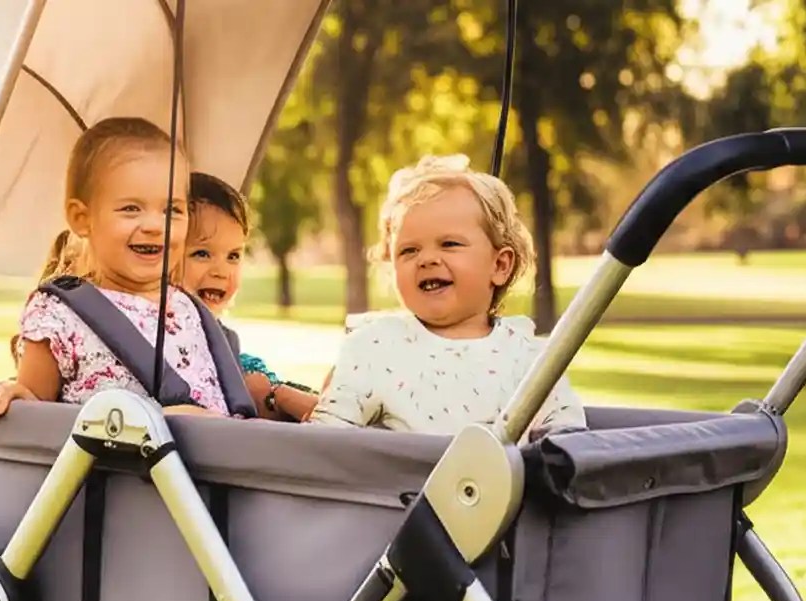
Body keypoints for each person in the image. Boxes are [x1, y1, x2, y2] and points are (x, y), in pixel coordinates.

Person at [307, 154, 587, 439]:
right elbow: (326, 443)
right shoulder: (374, 347)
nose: (426, 259)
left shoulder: (531, 357)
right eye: (408, 251)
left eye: (449, 244)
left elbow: (568, 446)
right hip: (406, 484)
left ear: (500, 266)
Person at [0, 117, 233, 420]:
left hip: (215, 460)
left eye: (172, 210)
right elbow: (37, 425)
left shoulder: (188, 306)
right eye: (131, 208)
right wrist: (18, 394)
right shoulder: (60, 315)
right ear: (81, 218)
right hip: (122, 464)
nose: (153, 225)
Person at [181, 171, 319, 421]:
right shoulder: (157, 349)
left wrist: (276, 395)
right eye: (202, 253)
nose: (221, 271)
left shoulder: (238, 360)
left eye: (233, 256)